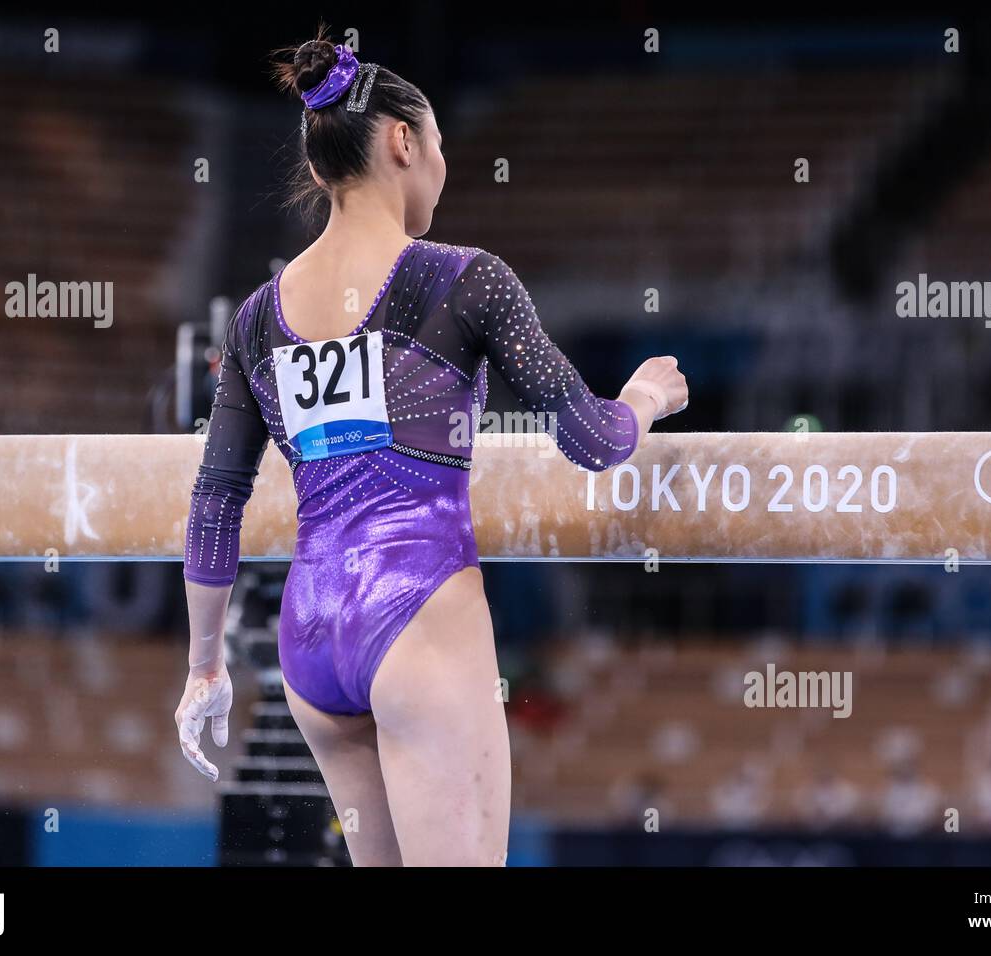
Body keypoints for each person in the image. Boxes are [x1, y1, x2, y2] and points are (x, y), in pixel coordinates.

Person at [172, 28, 688, 866]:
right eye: (440, 145)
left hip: (313, 637)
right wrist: (645, 397)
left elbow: (215, 499)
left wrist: (204, 669)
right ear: (404, 142)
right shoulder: (463, 279)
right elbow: (592, 441)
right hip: (416, 613)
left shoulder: (258, 316)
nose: (443, 170)